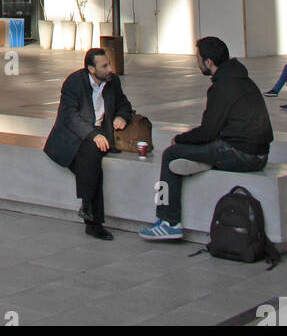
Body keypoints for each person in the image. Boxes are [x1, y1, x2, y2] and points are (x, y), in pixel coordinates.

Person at [140, 36, 273, 242]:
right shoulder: (241, 79)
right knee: (202, 149)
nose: (197, 63)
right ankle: (204, 162)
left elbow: (207, 132)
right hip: (257, 152)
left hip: (243, 154)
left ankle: (168, 221)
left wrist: (180, 139)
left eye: (198, 58)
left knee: (170, 154)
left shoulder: (222, 87)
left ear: (209, 62)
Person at [43, 48, 133, 240]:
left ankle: (89, 212)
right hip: (74, 135)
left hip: (101, 132)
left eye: (109, 64)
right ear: (91, 69)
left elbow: (124, 104)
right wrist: (92, 135)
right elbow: (69, 116)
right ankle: (93, 221)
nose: (110, 69)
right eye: (105, 66)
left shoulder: (112, 82)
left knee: (91, 162)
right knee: (92, 163)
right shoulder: (74, 82)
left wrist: (121, 116)